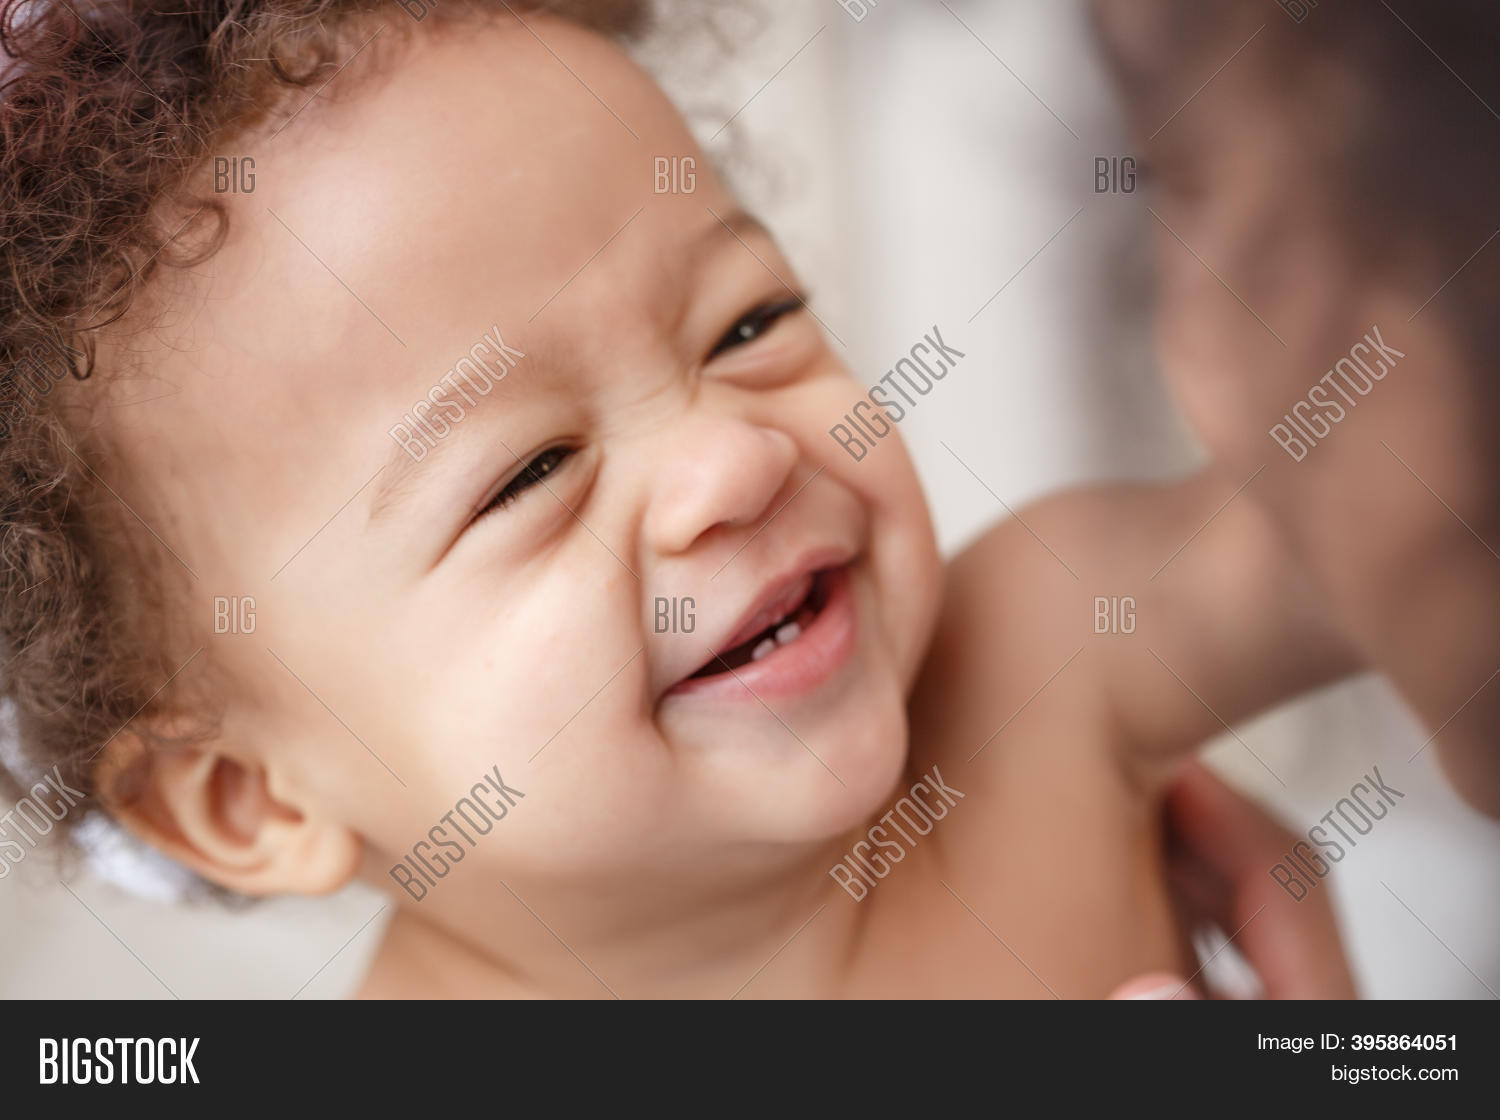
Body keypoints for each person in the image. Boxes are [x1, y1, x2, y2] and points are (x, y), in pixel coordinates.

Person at [0, 0, 1483, 997]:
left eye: (748, 326)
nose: (734, 460)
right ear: (246, 797)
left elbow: (1387, 513)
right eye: (529, 473)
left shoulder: (1042, 660)